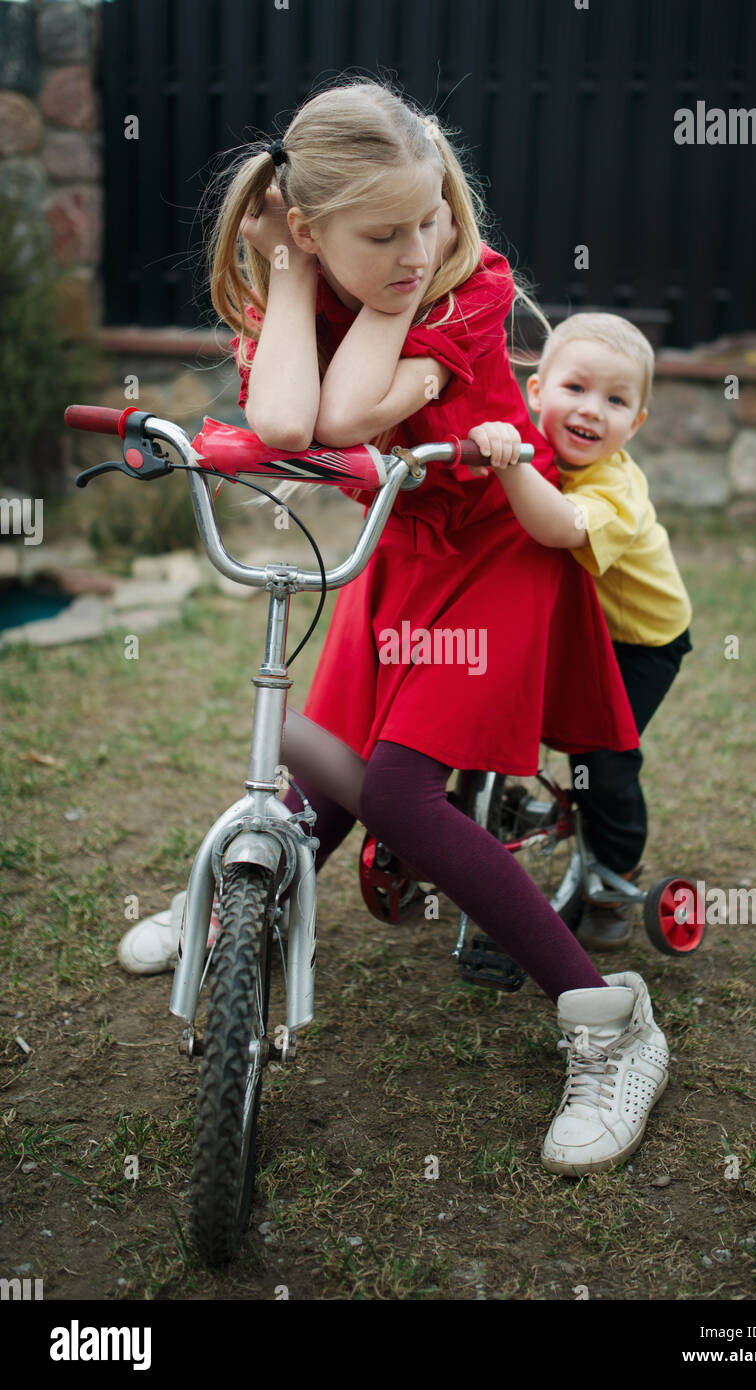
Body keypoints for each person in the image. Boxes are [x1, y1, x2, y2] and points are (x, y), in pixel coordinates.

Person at [119, 80, 670, 1175]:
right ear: (310, 231)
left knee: (404, 792)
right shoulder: (305, 284)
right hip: (404, 545)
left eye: (428, 214)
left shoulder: (469, 283)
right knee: (330, 766)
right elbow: (287, 419)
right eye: (383, 232)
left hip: (505, 550)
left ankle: (610, 1022)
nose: (420, 246)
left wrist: (376, 292)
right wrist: (288, 272)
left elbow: (336, 413)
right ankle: (246, 906)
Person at [467, 312, 693, 953]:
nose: (593, 411)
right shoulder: (537, 446)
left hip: (641, 642)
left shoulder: (612, 485)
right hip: (576, 628)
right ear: (536, 392)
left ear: (636, 424)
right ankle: (495, 814)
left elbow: (562, 526)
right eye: (576, 389)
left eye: (616, 401)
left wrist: (510, 469)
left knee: (604, 756)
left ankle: (612, 876)